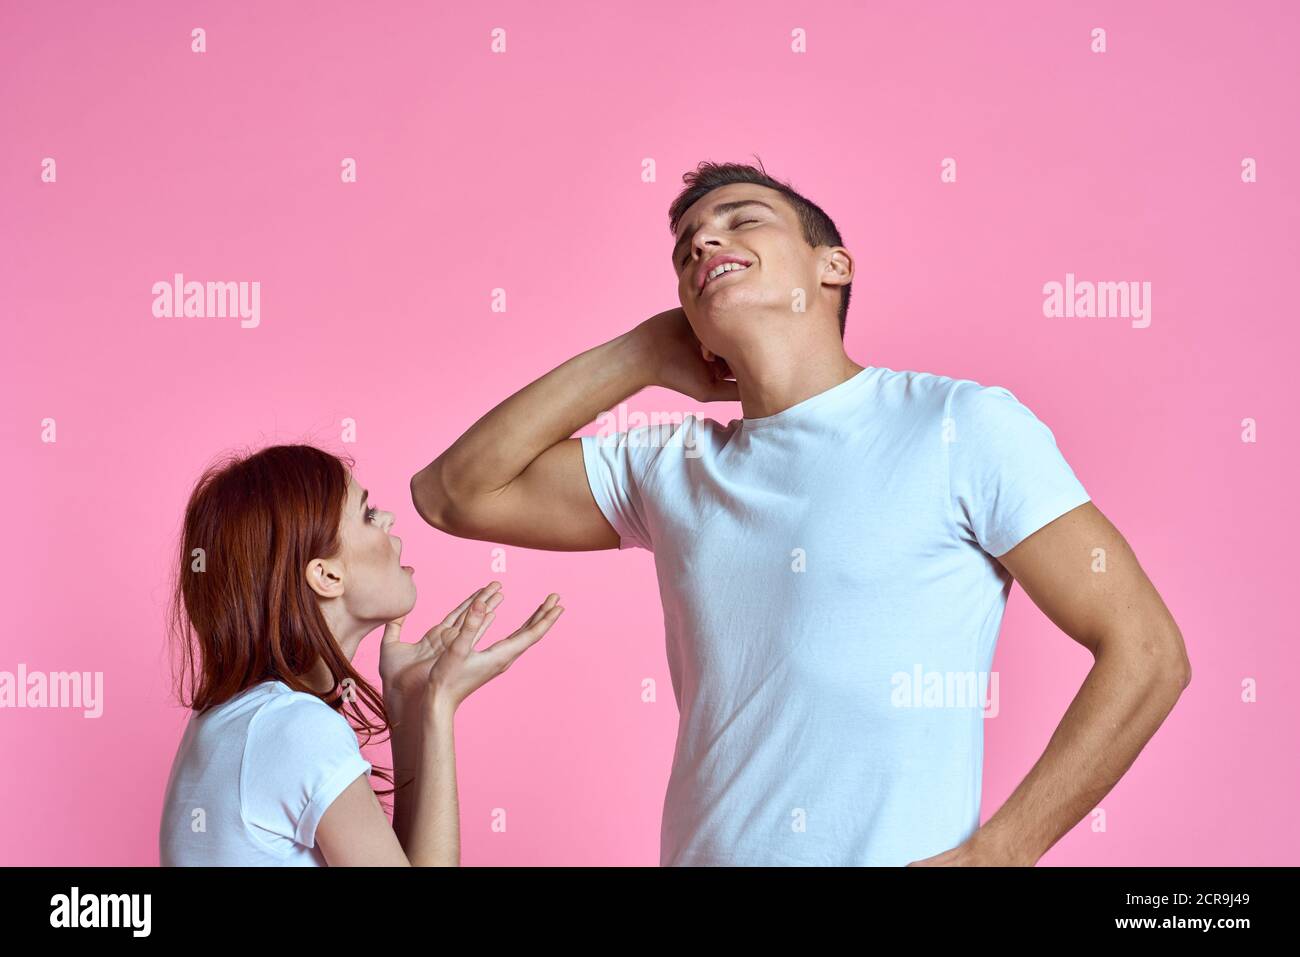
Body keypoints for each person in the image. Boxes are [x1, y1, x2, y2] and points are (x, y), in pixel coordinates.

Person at [409, 159, 1192, 866]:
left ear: (833, 267)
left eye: (742, 218)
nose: (704, 241)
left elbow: (1148, 650)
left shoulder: (960, 426)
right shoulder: (671, 465)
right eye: (686, 248)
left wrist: (1000, 854)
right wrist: (642, 354)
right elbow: (452, 492)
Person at [159, 443, 563, 866]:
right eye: (368, 515)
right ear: (327, 575)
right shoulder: (295, 730)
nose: (387, 519)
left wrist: (410, 702)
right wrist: (440, 705)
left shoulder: (235, 722)